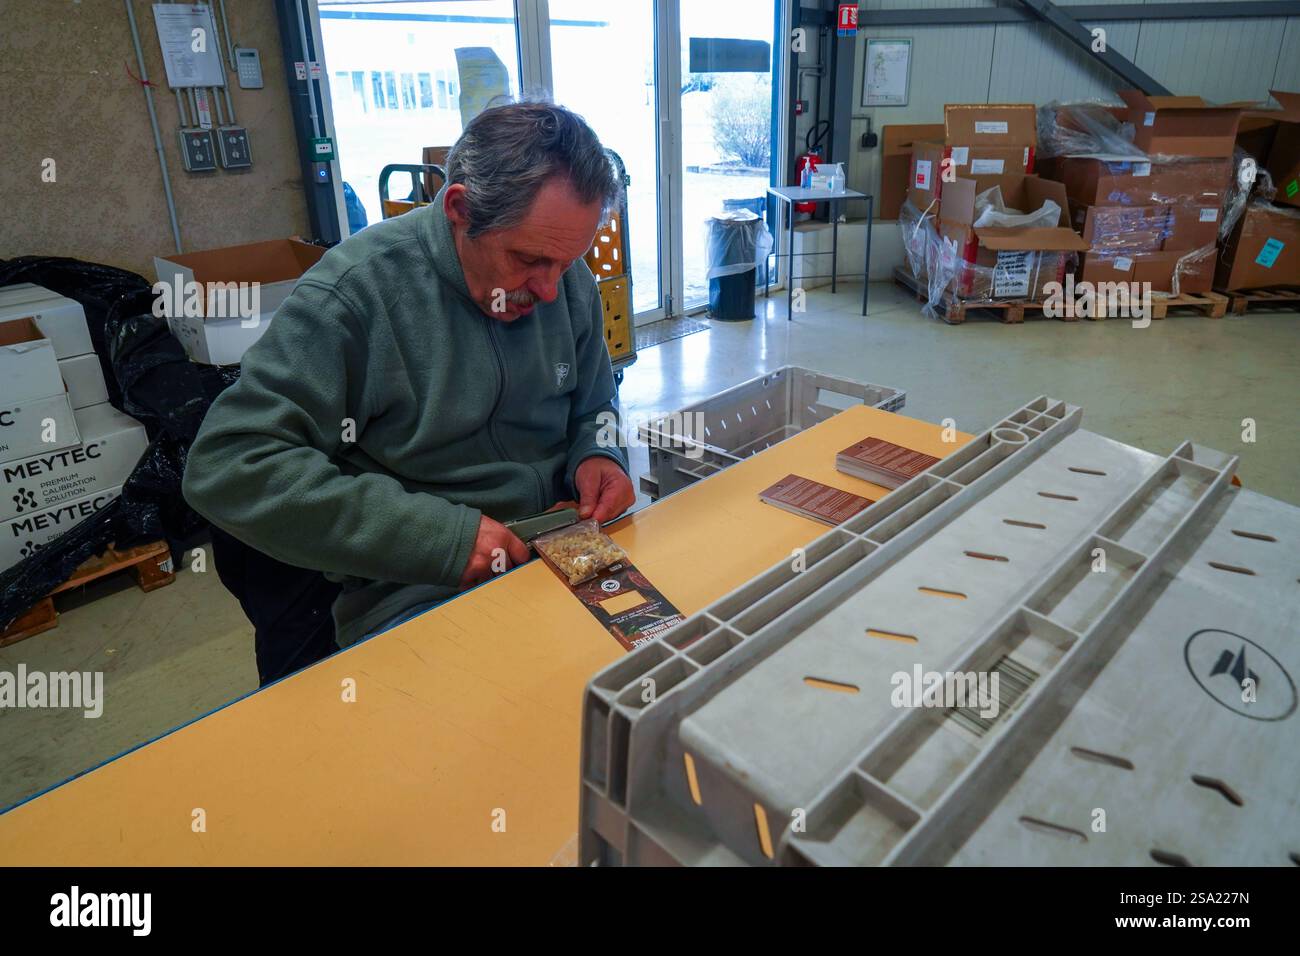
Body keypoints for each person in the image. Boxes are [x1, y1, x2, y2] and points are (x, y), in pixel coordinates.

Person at [183, 102, 635, 651]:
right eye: (527, 260)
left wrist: (600, 453)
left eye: (565, 263)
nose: (548, 290)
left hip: (561, 544)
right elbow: (229, 465)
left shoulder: (568, 280)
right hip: (420, 586)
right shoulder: (353, 297)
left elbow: (597, 405)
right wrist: (436, 539)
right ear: (460, 210)